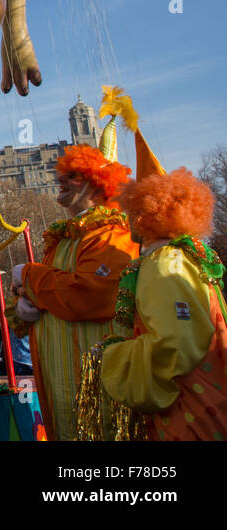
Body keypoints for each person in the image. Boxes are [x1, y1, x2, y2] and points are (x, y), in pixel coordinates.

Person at [10, 144, 139, 440]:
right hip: (61, 380)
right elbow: (44, 291)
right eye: (62, 175)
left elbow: (88, 296)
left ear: (97, 183)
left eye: (73, 176)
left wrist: (29, 275)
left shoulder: (112, 235)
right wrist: (22, 302)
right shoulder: (64, 239)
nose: (60, 180)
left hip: (99, 386)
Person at [101, 169, 227, 440]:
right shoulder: (187, 257)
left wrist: (115, 356)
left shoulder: (164, 263)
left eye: (132, 211)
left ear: (145, 214)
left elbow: (173, 344)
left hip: (189, 408)